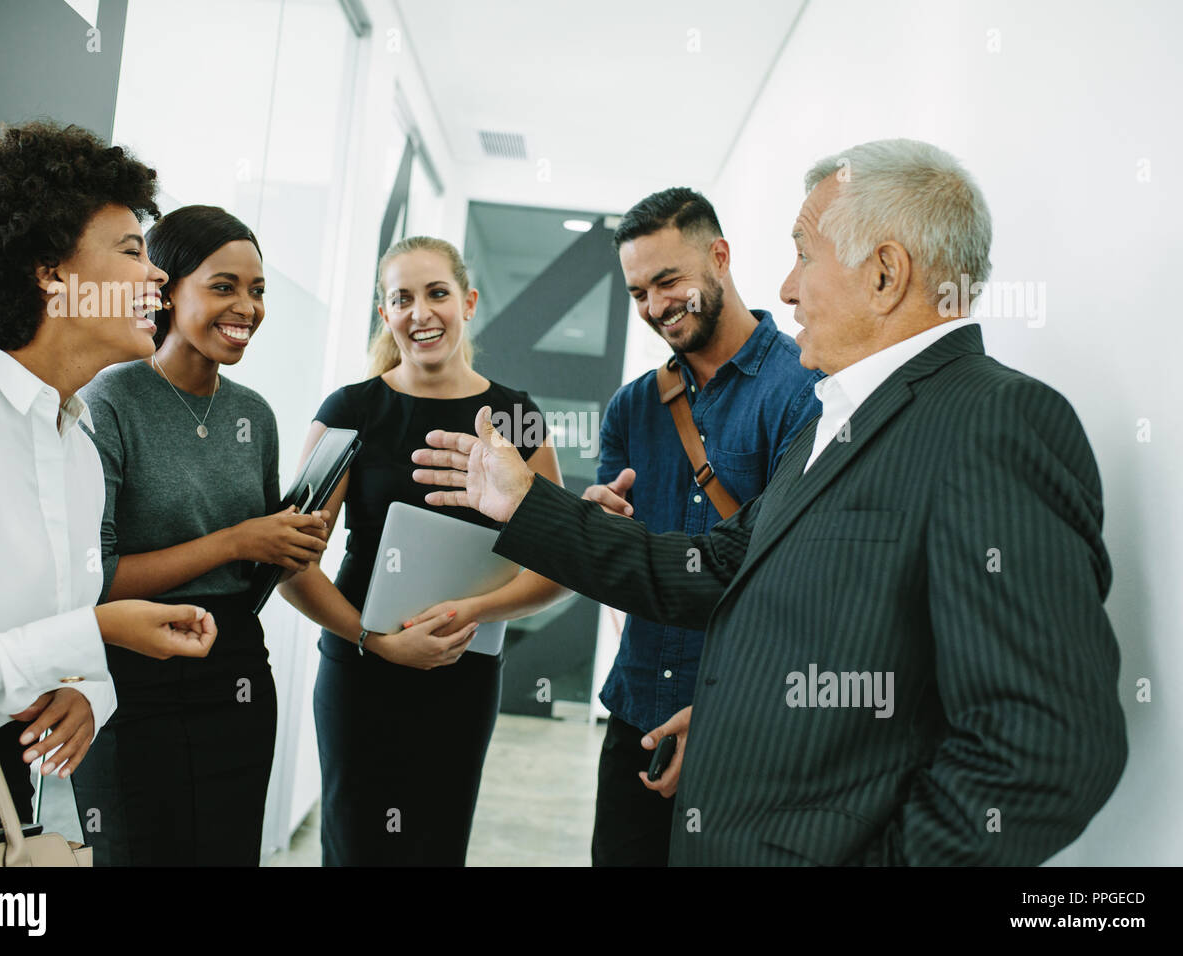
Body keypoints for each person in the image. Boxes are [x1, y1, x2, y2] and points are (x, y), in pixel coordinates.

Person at [413, 139, 1128, 866]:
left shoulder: (994, 421)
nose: (786, 289)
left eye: (804, 257)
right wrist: (528, 503)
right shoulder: (838, 417)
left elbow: (1047, 749)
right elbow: (720, 567)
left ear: (884, 273)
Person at [0, 120, 218, 845]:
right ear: (51, 273)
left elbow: (57, 655)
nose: (156, 275)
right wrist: (96, 631)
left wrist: (89, 693)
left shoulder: (76, 443)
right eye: (132, 250)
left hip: (2, 800)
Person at [278, 235, 569, 865]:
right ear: (386, 314)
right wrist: (373, 640)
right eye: (401, 299)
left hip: (462, 672)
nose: (420, 312)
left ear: (467, 301)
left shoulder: (515, 416)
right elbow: (289, 562)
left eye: (436, 293)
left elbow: (560, 562)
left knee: (436, 847)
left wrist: (470, 614)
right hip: (361, 668)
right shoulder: (352, 409)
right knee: (356, 846)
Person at [70, 205, 327, 866]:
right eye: (224, 286)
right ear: (166, 289)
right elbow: (94, 576)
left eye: (258, 289)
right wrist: (240, 540)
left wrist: (285, 546)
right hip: (132, 667)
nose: (247, 306)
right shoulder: (110, 400)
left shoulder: (254, 415)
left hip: (235, 669)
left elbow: (249, 575)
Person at [580, 187, 821, 866]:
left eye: (667, 281)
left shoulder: (804, 390)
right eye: (637, 293)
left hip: (745, 725)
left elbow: (798, 585)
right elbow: (621, 570)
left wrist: (725, 719)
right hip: (635, 715)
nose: (654, 307)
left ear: (719, 257)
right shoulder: (633, 407)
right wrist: (601, 526)